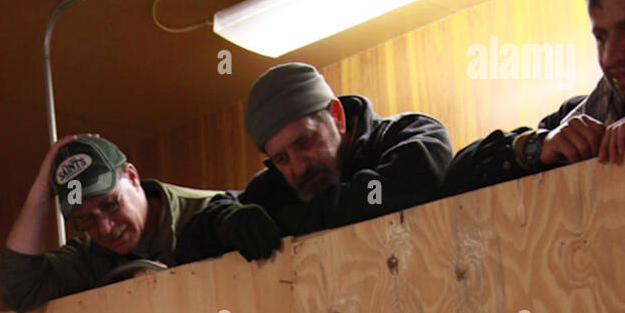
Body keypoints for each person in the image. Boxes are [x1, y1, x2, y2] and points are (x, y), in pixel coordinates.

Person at [175, 62, 453, 264]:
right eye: (281, 158)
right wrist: (226, 221)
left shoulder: (411, 135)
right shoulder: (276, 185)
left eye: (304, 141)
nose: (298, 167)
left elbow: (393, 192)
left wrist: (296, 219)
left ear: (337, 117)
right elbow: (188, 247)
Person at [444, 0, 625, 195]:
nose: (611, 57)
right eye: (601, 37)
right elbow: (452, 183)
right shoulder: (582, 121)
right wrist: (538, 146)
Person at [0, 135, 224, 312]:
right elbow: (22, 289)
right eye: (86, 219)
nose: (105, 228)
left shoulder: (211, 213)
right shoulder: (88, 257)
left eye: (110, 204)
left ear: (133, 176)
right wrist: (40, 191)